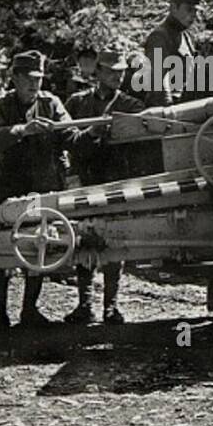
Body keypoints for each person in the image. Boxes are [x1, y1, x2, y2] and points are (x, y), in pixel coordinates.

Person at [0, 51, 77, 327]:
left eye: (40, 78)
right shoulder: (1, 105)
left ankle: (29, 311)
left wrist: (87, 136)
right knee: (1, 247)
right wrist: (21, 130)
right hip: (10, 188)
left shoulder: (51, 103)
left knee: (38, 246)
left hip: (43, 187)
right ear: (16, 78)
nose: (36, 85)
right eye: (30, 79)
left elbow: (69, 134)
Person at [63, 50, 145, 325]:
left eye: (121, 72)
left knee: (114, 240)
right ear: (97, 72)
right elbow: (66, 139)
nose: (117, 76)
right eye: (111, 71)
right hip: (85, 177)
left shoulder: (131, 105)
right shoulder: (76, 103)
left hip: (116, 179)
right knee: (83, 239)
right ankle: (84, 304)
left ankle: (111, 306)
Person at [141, 0, 205, 107]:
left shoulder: (186, 36)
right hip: (168, 112)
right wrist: (170, 115)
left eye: (195, 11)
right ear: (173, 7)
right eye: (189, 10)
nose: (193, 15)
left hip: (186, 106)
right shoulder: (160, 37)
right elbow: (157, 83)